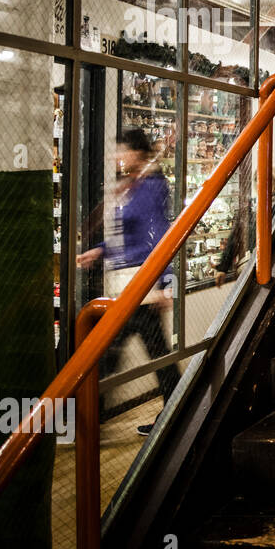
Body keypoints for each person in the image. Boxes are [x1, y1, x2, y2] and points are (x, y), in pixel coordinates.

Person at [76, 129, 176, 436]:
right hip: (127, 287)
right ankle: (176, 412)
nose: (116, 157)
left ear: (138, 153)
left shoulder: (151, 188)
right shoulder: (131, 186)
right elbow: (126, 237)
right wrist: (100, 250)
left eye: (122, 151)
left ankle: (86, 421)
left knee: (110, 353)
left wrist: (164, 281)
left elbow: (160, 237)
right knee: (152, 357)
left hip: (141, 288)